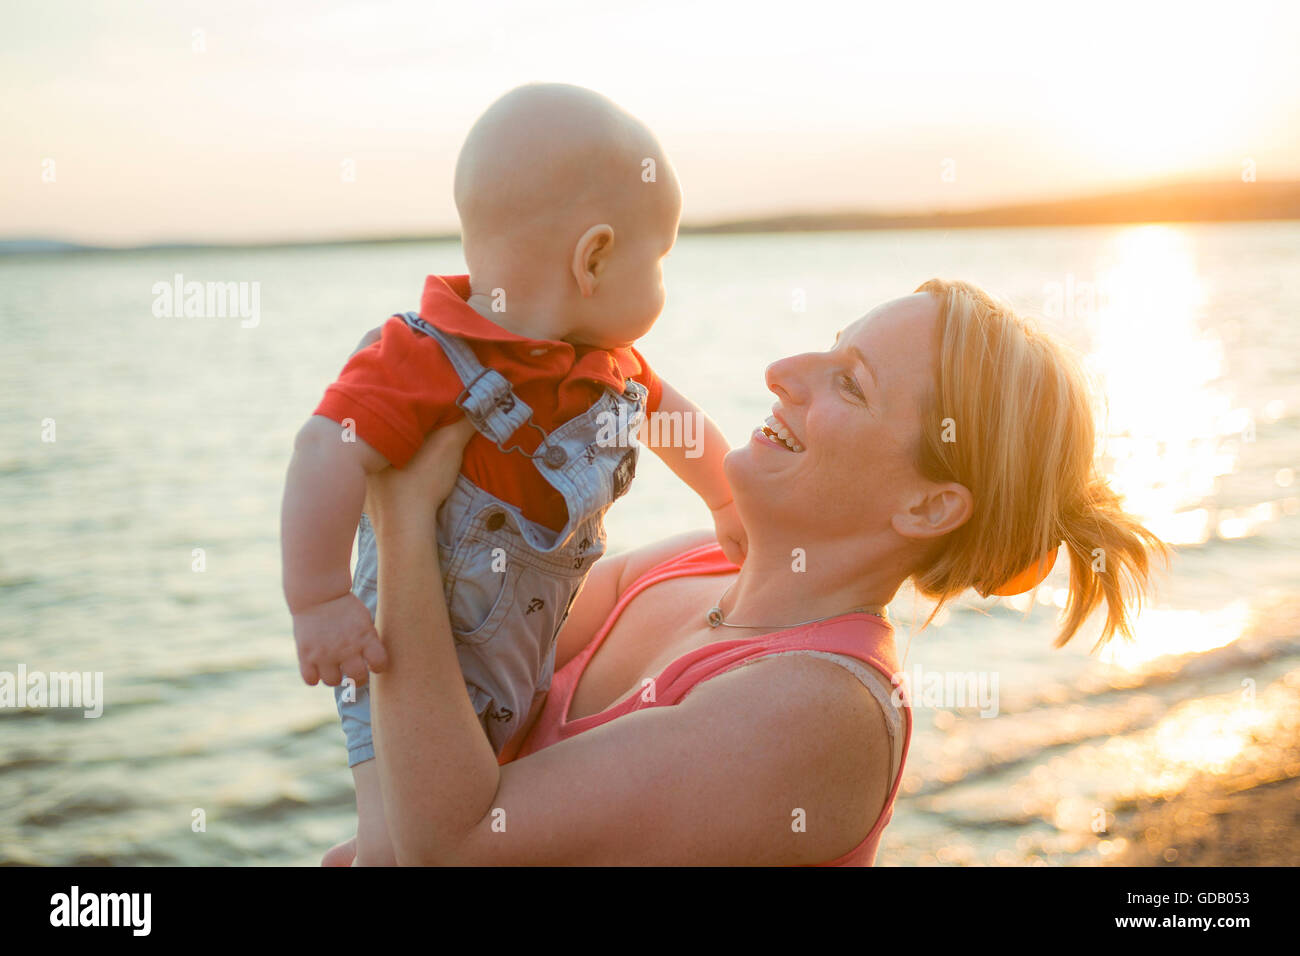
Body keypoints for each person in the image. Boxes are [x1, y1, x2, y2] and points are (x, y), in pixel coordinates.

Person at [329, 278, 1165, 865]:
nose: (783, 373)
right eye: (830, 346)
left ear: (929, 508)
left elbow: (454, 842)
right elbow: (463, 678)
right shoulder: (689, 567)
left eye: (851, 383)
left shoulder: (822, 709)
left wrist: (400, 512)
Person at [280, 84, 744, 865]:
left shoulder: (611, 370)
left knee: (486, 812)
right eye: (658, 260)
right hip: (402, 661)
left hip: (519, 660)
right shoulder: (423, 354)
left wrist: (725, 496)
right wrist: (319, 600)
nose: (663, 282)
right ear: (593, 257)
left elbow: (675, 422)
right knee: (400, 842)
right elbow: (324, 450)